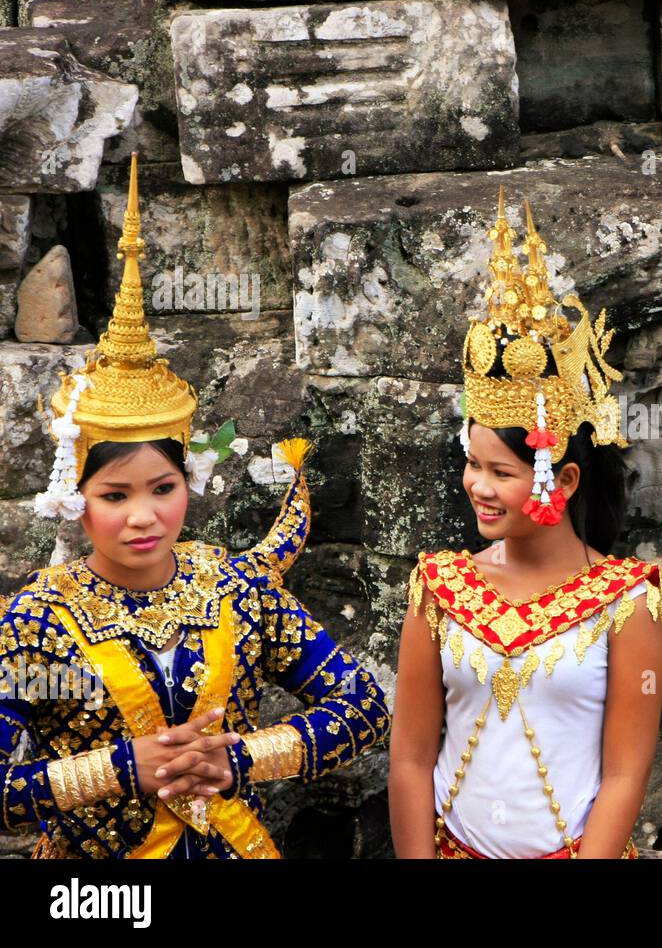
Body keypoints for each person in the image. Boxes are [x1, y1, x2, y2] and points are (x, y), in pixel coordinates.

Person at [0, 155, 390, 858]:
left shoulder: (237, 588)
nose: (144, 516)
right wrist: (120, 770)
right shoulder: (39, 620)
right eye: (114, 496)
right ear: (75, 498)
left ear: (191, 483)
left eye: (163, 489)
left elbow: (362, 709)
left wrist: (240, 759)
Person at [388, 192, 662, 859]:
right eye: (473, 465)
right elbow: (409, 758)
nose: (477, 487)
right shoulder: (439, 588)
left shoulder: (627, 602)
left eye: (501, 473)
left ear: (562, 481)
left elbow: (627, 774)